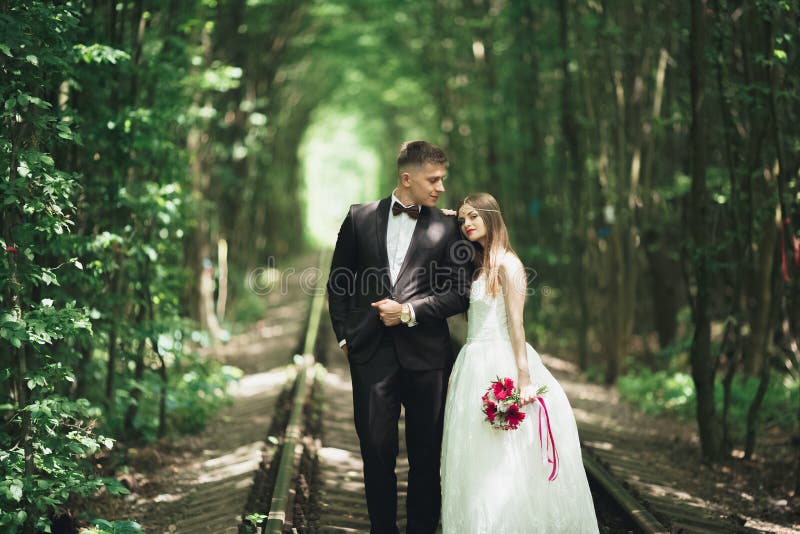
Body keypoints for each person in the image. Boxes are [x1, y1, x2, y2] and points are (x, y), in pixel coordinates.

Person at [326, 141, 472, 534]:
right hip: (371, 355)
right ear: (407, 178)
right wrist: (344, 336)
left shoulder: (447, 225)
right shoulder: (358, 218)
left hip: (427, 357)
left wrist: (409, 312)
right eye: (433, 179)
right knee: (376, 455)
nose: (441, 187)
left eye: (442, 179)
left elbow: (460, 293)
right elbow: (339, 280)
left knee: (426, 457)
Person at [440, 192, 599, 533]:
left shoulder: (508, 265)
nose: (466, 224)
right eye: (462, 219)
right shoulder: (480, 262)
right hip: (471, 361)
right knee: (473, 457)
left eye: (473, 217)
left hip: (497, 361)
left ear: (491, 218)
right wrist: (446, 217)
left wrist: (523, 378)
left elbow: (516, 323)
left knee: (501, 456)